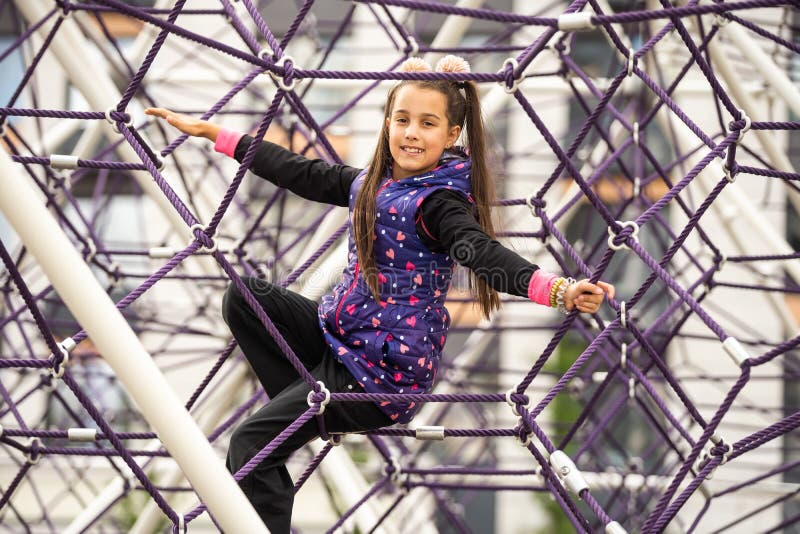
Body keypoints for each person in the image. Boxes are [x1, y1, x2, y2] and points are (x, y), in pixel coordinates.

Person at [146, 55, 614, 533]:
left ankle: (298, 423)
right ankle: (301, 408)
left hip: (380, 376)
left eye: (427, 124)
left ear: (451, 135)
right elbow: (298, 172)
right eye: (402, 120)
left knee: (249, 443)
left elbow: (482, 254)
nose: (411, 133)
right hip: (337, 340)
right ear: (387, 123)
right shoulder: (370, 184)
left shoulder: (441, 204)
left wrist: (557, 289)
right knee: (245, 297)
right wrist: (216, 136)